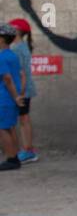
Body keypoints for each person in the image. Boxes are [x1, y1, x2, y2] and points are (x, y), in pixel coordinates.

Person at [8, 18, 39, 162]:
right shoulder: (20, 47)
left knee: (23, 119)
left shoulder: (17, 48)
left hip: (22, 91)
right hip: (23, 90)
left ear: (18, 31)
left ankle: (28, 150)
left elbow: (21, 74)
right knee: (23, 119)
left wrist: (19, 94)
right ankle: (28, 149)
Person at [0, 24, 24, 172]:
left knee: (2, 129)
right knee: (10, 128)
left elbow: (7, 79)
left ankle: (11, 159)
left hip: (4, 98)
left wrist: (15, 96)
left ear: (2, 39)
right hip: (10, 98)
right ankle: (14, 157)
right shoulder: (12, 55)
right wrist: (19, 94)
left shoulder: (2, 57)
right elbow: (21, 75)